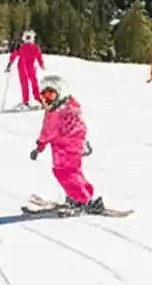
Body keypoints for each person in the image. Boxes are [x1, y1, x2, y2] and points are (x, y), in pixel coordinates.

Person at [29, 73, 104, 215]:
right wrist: (83, 143)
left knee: (63, 173)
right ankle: (84, 195)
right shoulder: (70, 106)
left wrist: (39, 147)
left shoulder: (56, 113)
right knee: (74, 171)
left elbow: (47, 132)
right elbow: (81, 126)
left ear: (60, 93)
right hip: (73, 146)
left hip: (63, 148)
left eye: (50, 95)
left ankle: (80, 200)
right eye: (43, 96)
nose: (46, 99)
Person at [5, 30, 45, 109]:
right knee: (27, 84)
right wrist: (9, 64)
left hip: (29, 68)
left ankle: (37, 99)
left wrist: (41, 64)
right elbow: (14, 55)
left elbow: (39, 56)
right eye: (27, 37)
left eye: (29, 37)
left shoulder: (33, 47)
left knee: (33, 84)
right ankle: (28, 101)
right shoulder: (22, 47)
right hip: (23, 68)